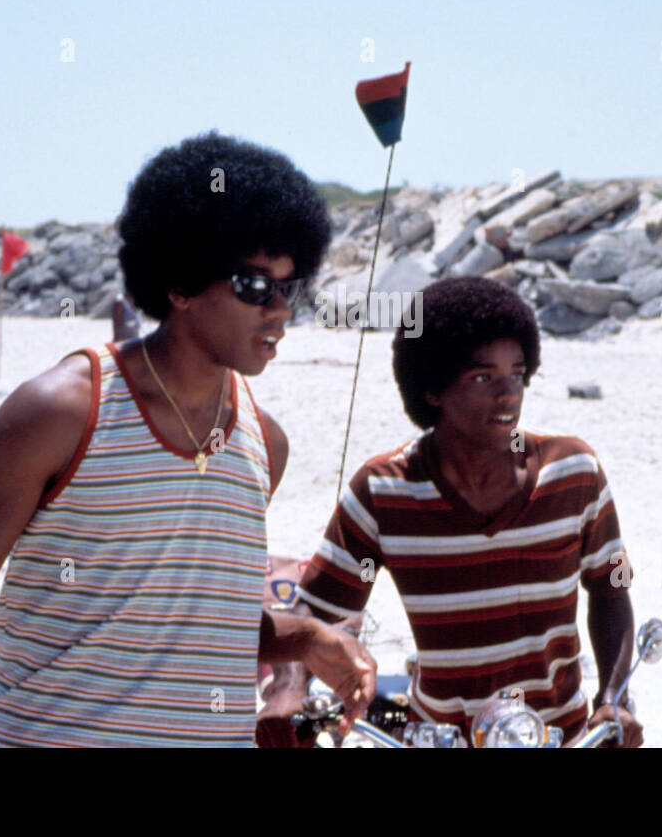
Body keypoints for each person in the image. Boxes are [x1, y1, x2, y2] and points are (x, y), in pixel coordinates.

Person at [0, 131, 375, 747]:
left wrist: (305, 638)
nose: (281, 309)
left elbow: (187, 616)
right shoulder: (63, 412)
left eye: (293, 286)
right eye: (256, 285)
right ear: (179, 283)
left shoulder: (265, 443)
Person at [270, 276, 643, 747]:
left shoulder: (572, 472)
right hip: (438, 737)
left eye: (518, 373)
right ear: (432, 389)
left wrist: (614, 699)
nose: (509, 394)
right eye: (483, 377)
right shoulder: (385, 490)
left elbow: (610, 592)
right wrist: (287, 691)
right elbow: (315, 614)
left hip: (560, 737)